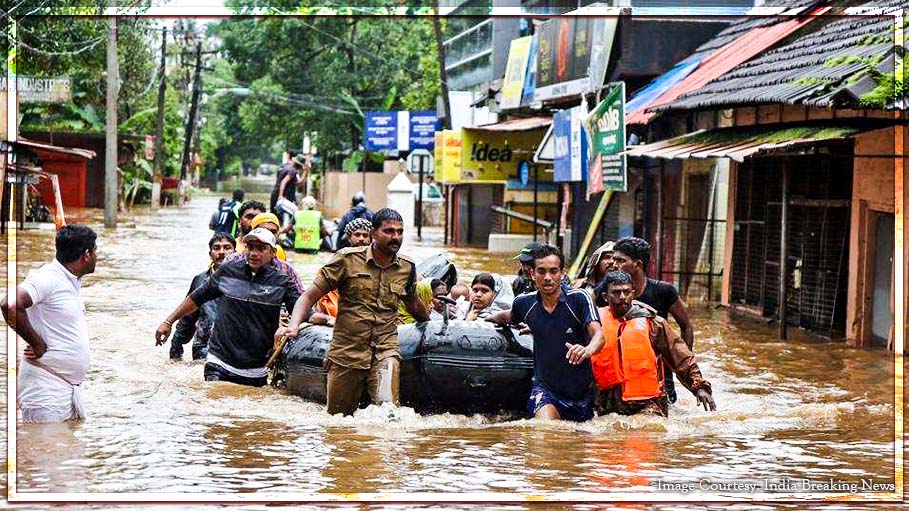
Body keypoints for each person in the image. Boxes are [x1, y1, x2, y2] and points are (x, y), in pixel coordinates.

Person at [275, 208, 430, 416]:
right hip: (347, 352)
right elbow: (308, 296)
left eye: (400, 232)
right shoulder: (346, 260)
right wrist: (293, 327)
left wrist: (431, 325)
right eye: (389, 231)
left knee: (389, 414)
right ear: (374, 234)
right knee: (339, 420)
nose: (396, 237)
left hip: (385, 349)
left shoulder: (406, 267)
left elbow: (413, 303)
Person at [156, 228, 301, 387]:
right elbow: (197, 298)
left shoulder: (282, 282)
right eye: (250, 247)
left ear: (273, 253)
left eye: (261, 248)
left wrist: (322, 319)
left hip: (257, 369)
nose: (254, 253)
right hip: (219, 362)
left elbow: (301, 309)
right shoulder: (227, 272)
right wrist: (168, 322)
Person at [487, 244, 603, 422]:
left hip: (581, 393)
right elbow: (508, 316)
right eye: (541, 271)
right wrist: (482, 319)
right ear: (532, 274)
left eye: (553, 271)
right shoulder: (524, 303)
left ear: (562, 273)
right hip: (545, 390)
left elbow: (599, 335)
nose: (548, 278)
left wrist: (587, 349)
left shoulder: (579, 298)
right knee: (545, 432)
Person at [1, 225, 97, 422]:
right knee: (43, 450)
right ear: (86, 255)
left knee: (65, 450)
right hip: (45, 387)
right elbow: (9, 304)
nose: (97, 257)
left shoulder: (70, 279)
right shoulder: (48, 278)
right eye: (95, 251)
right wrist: (37, 343)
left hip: (68, 387)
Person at [592, 271, 715, 417]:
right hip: (606, 403)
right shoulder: (594, 323)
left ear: (633, 293)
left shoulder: (653, 323)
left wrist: (699, 387)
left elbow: (680, 356)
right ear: (606, 297)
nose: (622, 297)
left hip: (647, 404)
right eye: (616, 293)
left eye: (626, 292)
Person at [611, 236, 695, 404]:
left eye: (621, 260)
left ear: (638, 265)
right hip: (623, 371)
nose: (614, 265)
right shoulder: (609, 293)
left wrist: (680, 363)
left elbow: (686, 327)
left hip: (660, 371)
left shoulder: (664, 291)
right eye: (614, 260)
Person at [169, 233, 236, 361]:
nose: (222, 252)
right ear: (210, 254)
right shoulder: (200, 280)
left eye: (227, 248)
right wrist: (176, 349)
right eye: (216, 248)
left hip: (233, 348)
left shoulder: (244, 280)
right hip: (203, 347)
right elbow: (188, 317)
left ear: (235, 252)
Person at [310, 218, 373, 327]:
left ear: (371, 239)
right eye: (357, 235)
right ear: (349, 238)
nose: (361, 239)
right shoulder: (339, 260)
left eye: (365, 235)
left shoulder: (377, 264)